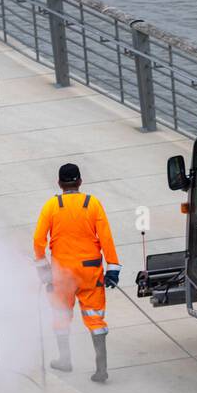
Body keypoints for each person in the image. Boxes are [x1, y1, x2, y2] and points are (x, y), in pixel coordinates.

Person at [32, 163, 121, 381]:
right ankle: (101, 369)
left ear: (60, 183)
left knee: (61, 315)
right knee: (95, 319)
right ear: (80, 181)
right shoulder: (93, 204)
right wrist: (112, 268)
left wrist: (43, 269)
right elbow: (106, 238)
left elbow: (38, 240)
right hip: (90, 272)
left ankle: (65, 360)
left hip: (62, 273)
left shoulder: (52, 205)